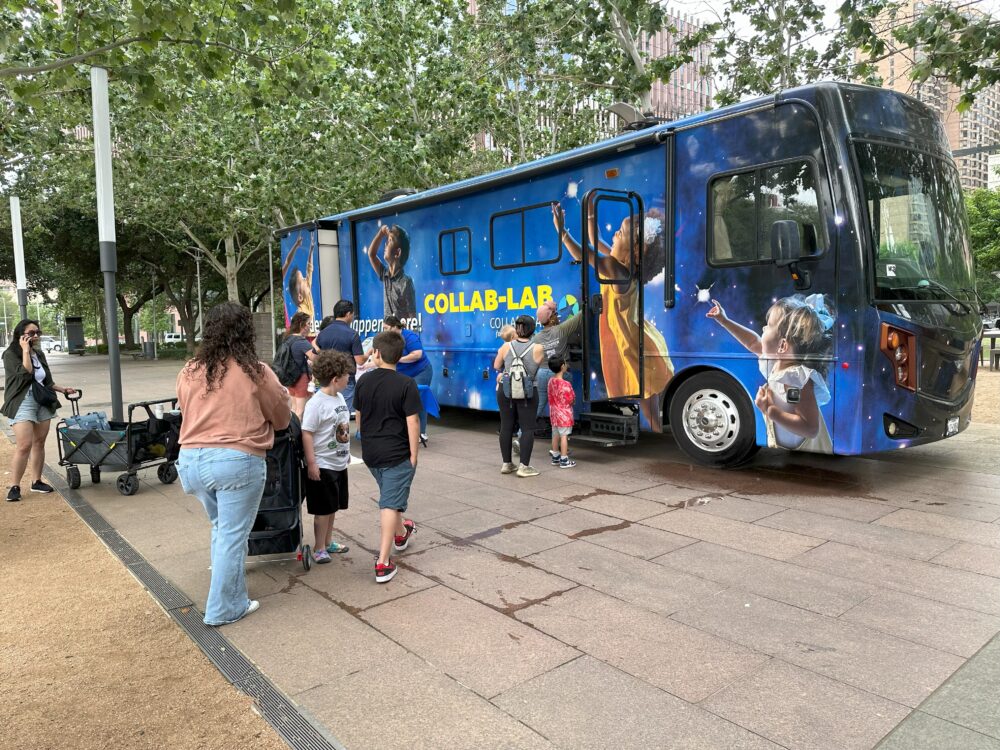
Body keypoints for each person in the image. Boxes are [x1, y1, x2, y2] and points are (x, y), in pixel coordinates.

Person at [175, 302, 291, 626]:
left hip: (192, 460)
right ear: (246, 332)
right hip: (237, 460)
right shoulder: (256, 371)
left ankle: (233, 594)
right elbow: (281, 418)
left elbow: (186, 412)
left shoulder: (189, 370)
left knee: (221, 529)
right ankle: (223, 608)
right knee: (233, 535)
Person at [553, 202, 674, 432]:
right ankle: (658, 428)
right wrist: (590, 212)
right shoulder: (623, 266)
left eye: (620, 232)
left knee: (643, 389)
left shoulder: (614, 269)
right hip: (636, 331)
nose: (615, 233)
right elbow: (594, 239)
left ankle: (657, 428)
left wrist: (562, 230)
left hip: (625, 339)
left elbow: (583, 252)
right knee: (646, 391)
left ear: (634, 252)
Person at [707, 294, 834, 452]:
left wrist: (770, 410)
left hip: (810, 453)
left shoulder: (795, 378)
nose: (763, 329)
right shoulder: (776, 362)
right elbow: (752, 342)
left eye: (768, 325)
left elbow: (810, 428)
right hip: (787, 450)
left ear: (782, 346)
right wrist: (724, 320)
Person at [353, 330, 421, 583]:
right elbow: (412, 421)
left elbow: (358, 415)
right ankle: (383, 562)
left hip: (371, 454)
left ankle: (402, 532)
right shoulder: (406, 384)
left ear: (377, 354)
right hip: (396, 453)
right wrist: (414, 454)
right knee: (389, 503)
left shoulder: (363, 382)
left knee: (390, 495)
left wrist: (363, 436)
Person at [2, 319, 77, 501]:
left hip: (42, 400)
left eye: (37, 333)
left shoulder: (40, 354)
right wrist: (26, 350)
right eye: (31, 333)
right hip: (22, 401)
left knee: (39, 443)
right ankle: (15, 486)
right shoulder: (10, 354)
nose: (35, 336)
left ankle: (36, 481)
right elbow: (25, 373)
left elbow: (47, 381)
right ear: (21, 334)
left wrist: (63, 389)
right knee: (24, 445)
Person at [301, 350, 354, 563]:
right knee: (323, 510)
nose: (349, 377)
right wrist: (312, 463)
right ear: (335, 379)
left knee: (333, 506)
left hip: (339, 463)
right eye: (346, 375)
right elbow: (307, 433)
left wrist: (346, 453)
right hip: (323, 465)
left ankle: (328, 542)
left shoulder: (339, 397)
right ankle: (319, 547)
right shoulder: (316, 403)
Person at [493, 314, 545, 478]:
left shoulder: (506, 346)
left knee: (506, 426)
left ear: (517, 329)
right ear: (532, 329)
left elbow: (496, 365)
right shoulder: (538, 348)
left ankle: (507, 464)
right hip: (527, 392)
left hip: (506, 390)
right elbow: (539, 367)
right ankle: (524, 466)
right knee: (527, 427)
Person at [532, 299, 583, 429]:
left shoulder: (536, 337)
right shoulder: (561, 330)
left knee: (539, 405)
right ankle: (563, 435)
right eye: (555, 313)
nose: (557, 315)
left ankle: (521, 434)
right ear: (552, 317)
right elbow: (580, 316)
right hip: (561, 374)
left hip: (542, 374)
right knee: (562, 405)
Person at [383, 315, 432, 443]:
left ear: (395, 327)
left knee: (417, 400)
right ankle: (406, 430)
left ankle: (421, 432)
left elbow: (417, 354)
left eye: (387, 328)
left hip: (421, 371)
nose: (384, 331)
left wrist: (399, 359)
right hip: (403, 374)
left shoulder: (409, 336)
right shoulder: (389, 339)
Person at [315, 299, 368, 413]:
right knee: (344, 414)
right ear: (348, 314)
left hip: (326, 379)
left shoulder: (323, 333)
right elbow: (360, 361)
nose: (353, 317)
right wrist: (368, 353)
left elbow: (315, 350)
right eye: (353, 314)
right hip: (345, 380)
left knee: (328, 413)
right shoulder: (352, 334)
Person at [366, 224, 416, 320]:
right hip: (388, 331)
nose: (385, 244)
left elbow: (412, 316)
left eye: (389, 241)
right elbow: (371, 254)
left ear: (397, 253)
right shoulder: (385, 275)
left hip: (400, 332)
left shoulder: (406, 282)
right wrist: (381, 233)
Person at [283, 311, 318, 421]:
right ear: (301, 325)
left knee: (293, 409)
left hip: (290, 377)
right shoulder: (301, 341)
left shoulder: (287, 338)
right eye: (308, 324)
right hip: (301, 378)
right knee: (300, 411)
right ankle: (297, 436)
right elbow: (315, 358)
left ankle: (292, 434)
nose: (310, 327)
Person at [546, 355, 577, 469]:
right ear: (563, 366)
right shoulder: (566, 384)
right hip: (564, 414)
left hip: (553, 413)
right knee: (564, 436)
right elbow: (571, 399)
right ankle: (564, 459)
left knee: (555, 435)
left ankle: (555, 457)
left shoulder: (550, 381)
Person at [282, 235, 315, 320]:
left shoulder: (305, 304)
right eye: (303, 280)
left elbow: (309, 269)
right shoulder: (301, 315)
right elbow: (287, 262)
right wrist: (296, 245)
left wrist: (310, 249)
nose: (306, 280)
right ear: (300, 297)